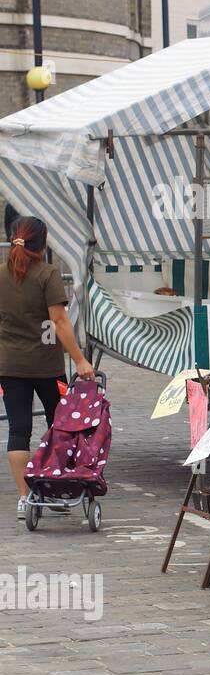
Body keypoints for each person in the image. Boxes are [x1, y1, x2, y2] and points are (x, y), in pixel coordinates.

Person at [0, 217, 95, 518]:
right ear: (43, 243)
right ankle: (57, 487)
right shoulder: (48, 274)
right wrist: (80, 360)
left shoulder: (0, 275)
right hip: (47, 368)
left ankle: (25, 497)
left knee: (18, 429)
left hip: (9, 366)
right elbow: (60, 321)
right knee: (61, 426)